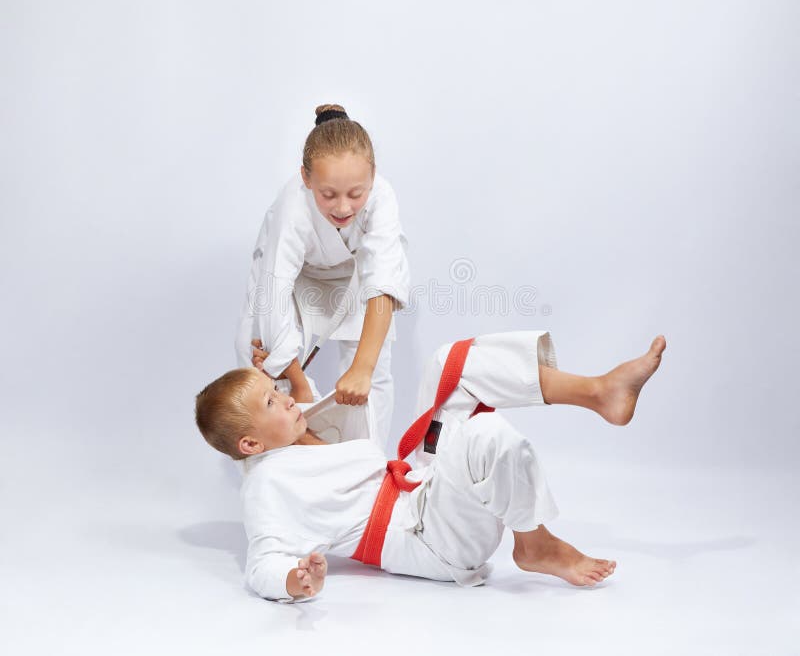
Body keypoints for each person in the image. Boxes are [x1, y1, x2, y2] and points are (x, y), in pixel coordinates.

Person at [196, 330, 667, 602]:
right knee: (487, 437)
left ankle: (599, 392)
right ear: (251, 443)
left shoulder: (296, 437)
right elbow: (261, 563)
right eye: (271, 400)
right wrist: (295, 582)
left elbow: (301, 402)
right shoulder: (266, 486)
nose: (285, 398)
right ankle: (534, 543)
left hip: (422, 487)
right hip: (432, 538)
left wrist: (292, 372)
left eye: (277, 391)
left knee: (450, 363)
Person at [234, 104, 410, 450]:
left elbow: (383, 281)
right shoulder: (293, 207)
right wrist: (294, 379)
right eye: (328, 195)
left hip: (354, 276)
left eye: (355, 194)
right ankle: (278, 462)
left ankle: (368, 468)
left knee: (372, 372)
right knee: (255, 358)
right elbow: (276, 291)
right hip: (293, 276)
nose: (343, 208)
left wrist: (362, 368)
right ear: (306, 178)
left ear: (372, 177)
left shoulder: (383, 198)